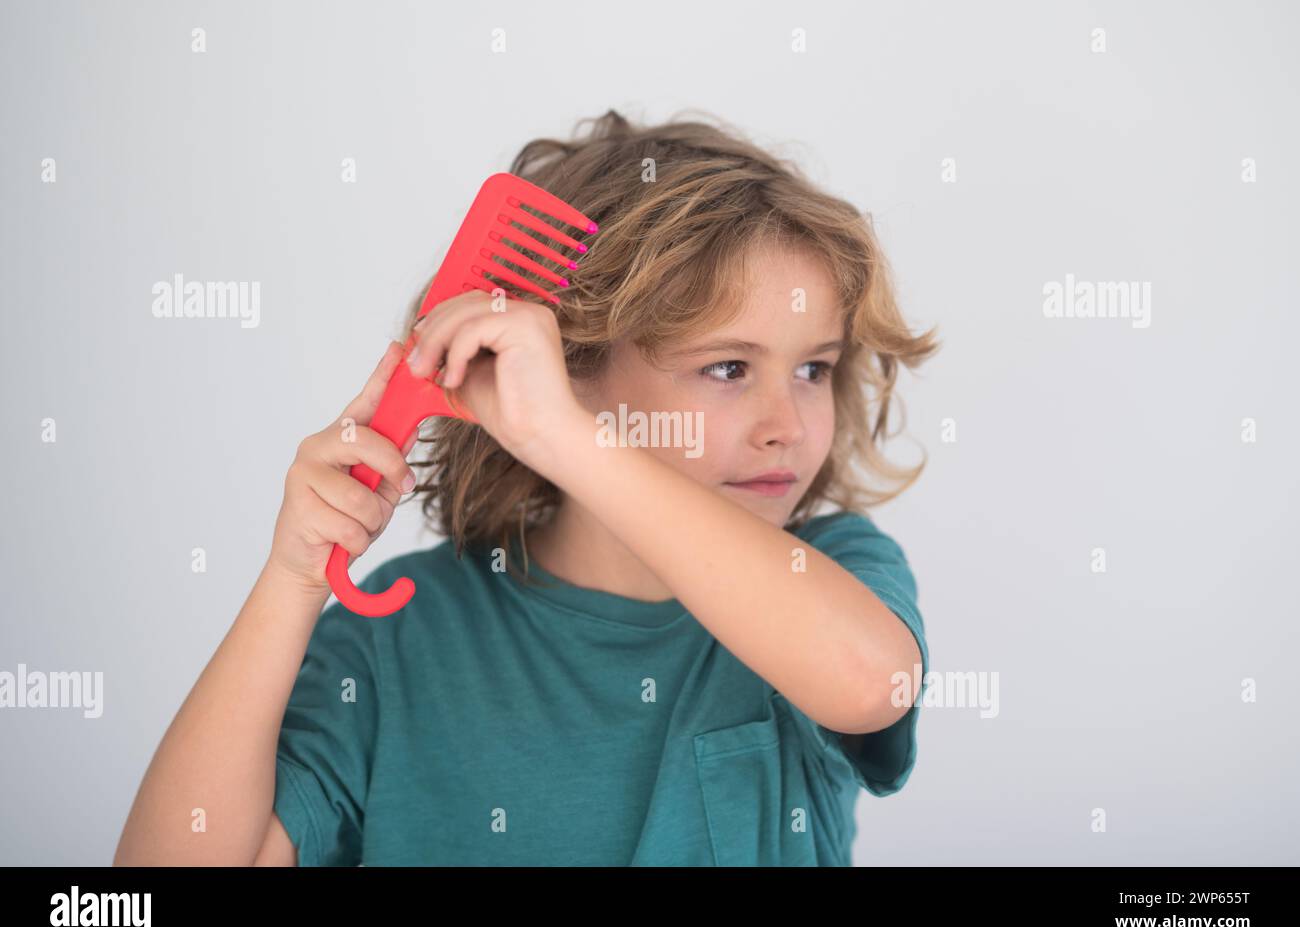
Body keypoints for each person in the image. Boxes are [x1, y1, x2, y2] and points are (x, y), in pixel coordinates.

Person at [114, 108, 941, 867]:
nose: (787, 424)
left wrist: (568, 439)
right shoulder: (401, 635)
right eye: (727, 367)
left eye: (814, 369)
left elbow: (871, 683)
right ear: (565, 372)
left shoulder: (828, 575)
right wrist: (292, 580)